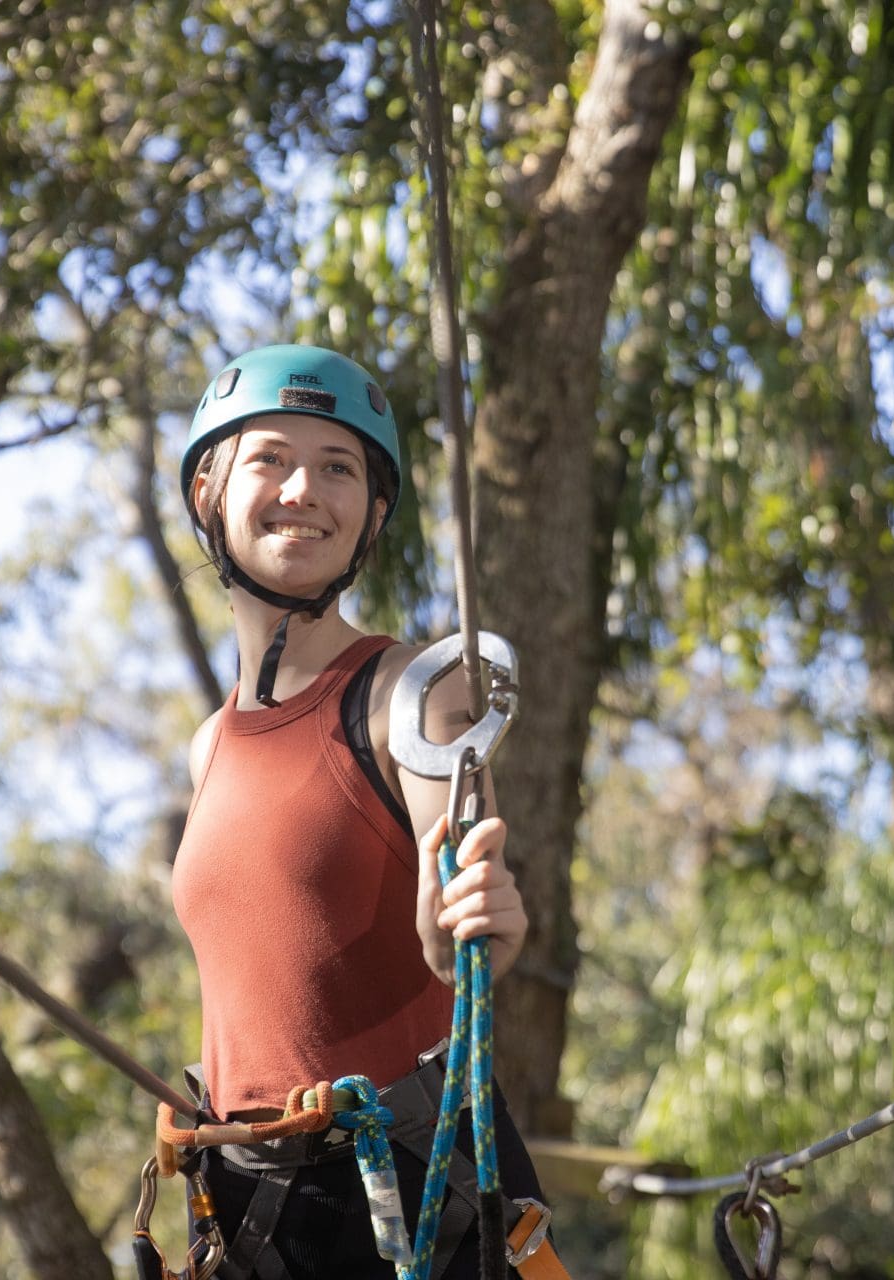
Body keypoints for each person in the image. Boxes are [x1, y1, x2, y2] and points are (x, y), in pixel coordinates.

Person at [169, 344, 551, 1279]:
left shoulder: (413, 693)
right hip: (249, 1209)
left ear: (373, 514)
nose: (303, 489)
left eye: (338, 468)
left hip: (405, 1198)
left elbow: (458, 888)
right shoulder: (208, 746)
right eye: (270, 459)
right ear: (208, 492)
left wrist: (468, 922)